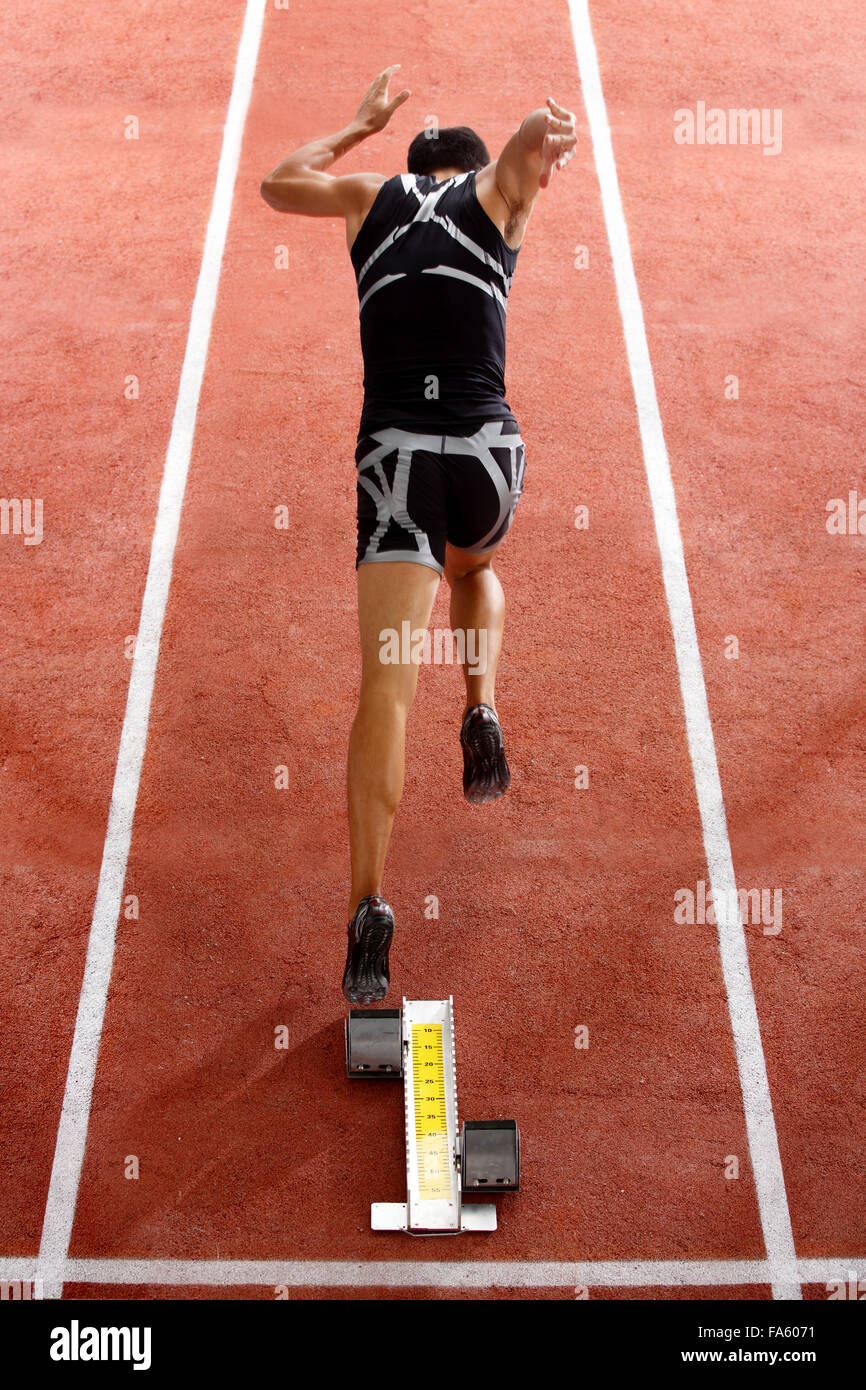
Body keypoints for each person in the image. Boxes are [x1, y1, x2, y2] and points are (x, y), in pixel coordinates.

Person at [261, 66, 577, 1004]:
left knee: (385, 693)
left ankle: (368, 904)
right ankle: (481, 705)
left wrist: (356, 127)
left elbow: (278, 181)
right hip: (483, 458)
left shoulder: (367, 200)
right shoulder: (495, 198)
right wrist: (542, 132)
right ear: (476, 173)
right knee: (478, 567)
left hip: (396, 469)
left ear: (412, 168)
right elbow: (527, 152)